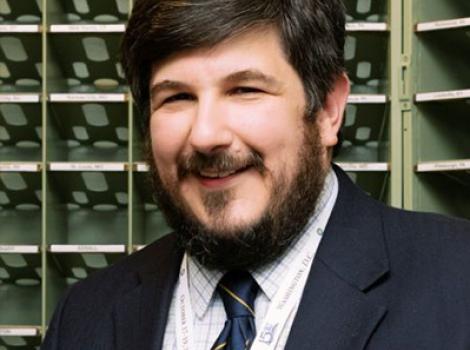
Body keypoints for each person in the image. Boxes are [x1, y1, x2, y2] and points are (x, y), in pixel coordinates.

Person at [42, 0, 470, 349]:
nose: (206, 135)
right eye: (177, 97)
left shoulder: (458, 281)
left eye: (245, 90)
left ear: (327, 110)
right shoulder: (85, 316)